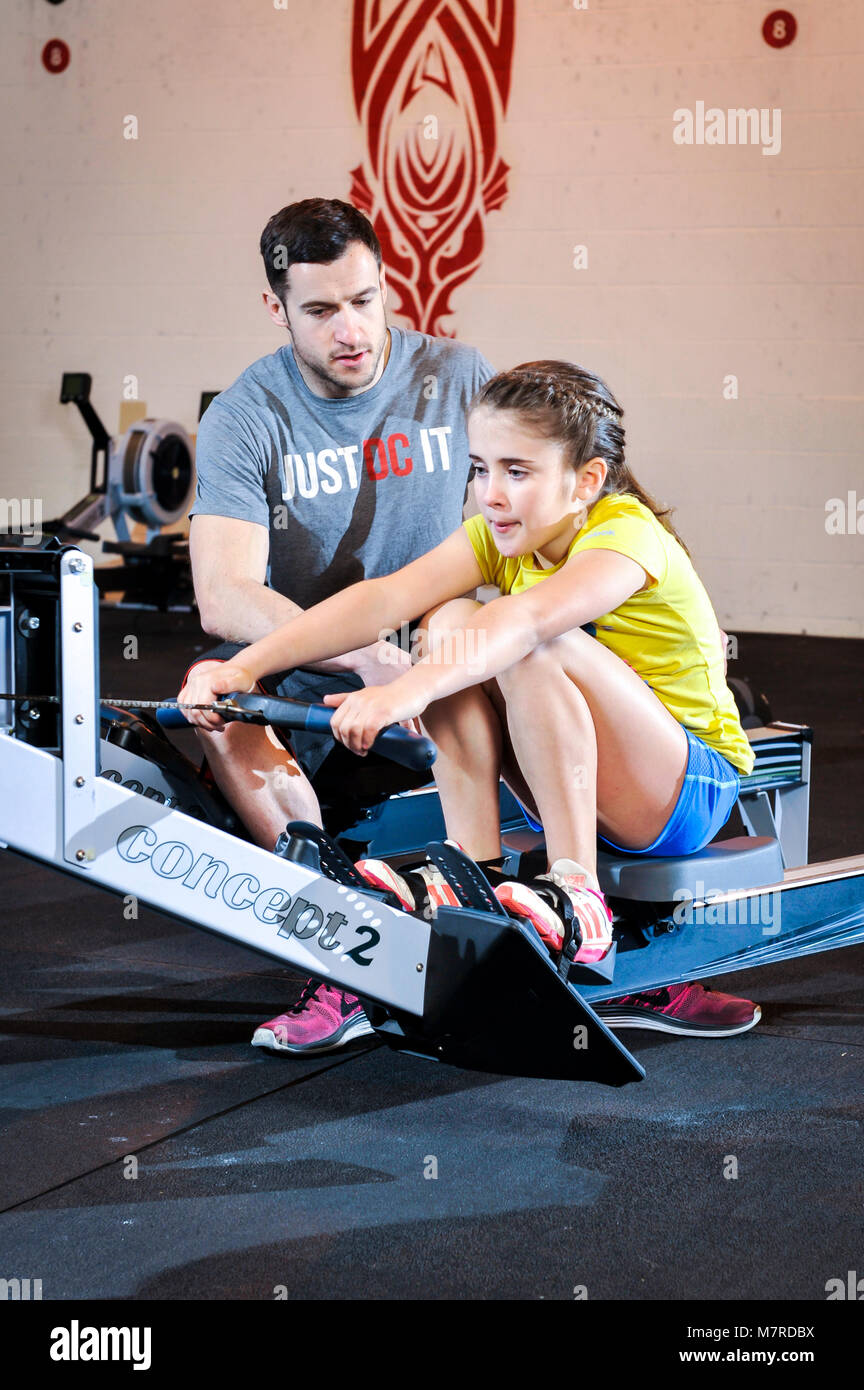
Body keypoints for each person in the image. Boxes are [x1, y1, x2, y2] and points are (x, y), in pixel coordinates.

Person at [181, 360, 762, 1042]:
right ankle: (476, 873)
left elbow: (528, 623)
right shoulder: (501, 535)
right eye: (480, 469)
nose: (490, 494)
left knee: (524, 638)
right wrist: (242, 669)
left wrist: (401, 693)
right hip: (591, 773)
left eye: (518, 472)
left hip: (686, 787)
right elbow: (382, 600)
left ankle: (580, 897)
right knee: (446, 621)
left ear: (587, 482)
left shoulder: (624, 532)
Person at [181, 196, 495, 1054]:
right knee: (219, 691)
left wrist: (436, 662)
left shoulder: (458, 378)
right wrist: (363, 657)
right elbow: (224, 592)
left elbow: (512, 545)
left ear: (386, 282)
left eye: (364, 299)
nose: (350, 329)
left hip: (438, 657)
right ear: (275, 307)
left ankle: (601, 923)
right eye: (320, 311)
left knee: (530, 648)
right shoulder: (247, 414)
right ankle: (342, 952)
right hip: (318, 675)